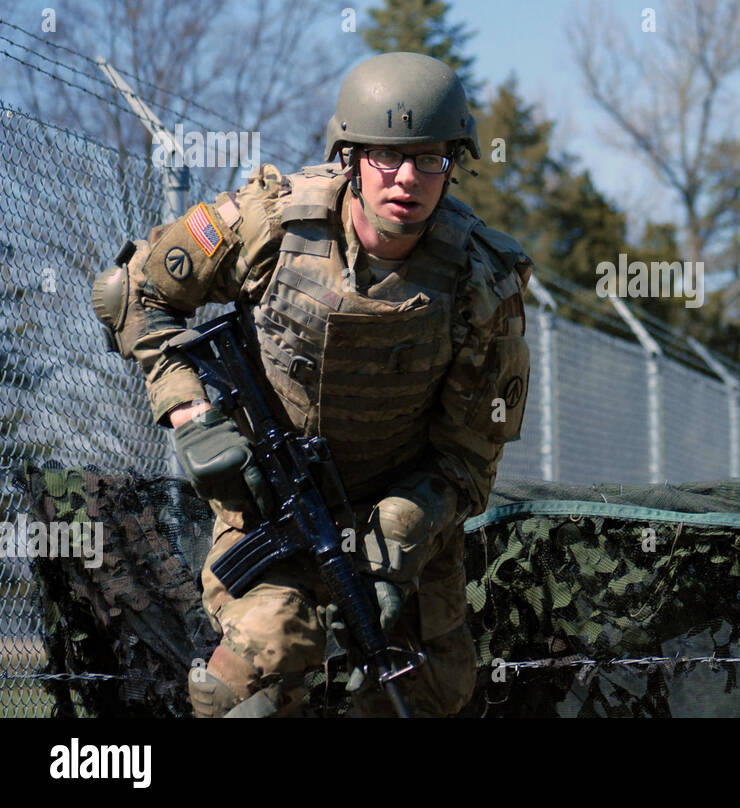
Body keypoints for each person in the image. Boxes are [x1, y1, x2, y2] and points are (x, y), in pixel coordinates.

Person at [91, 52, 532, 717]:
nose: (407, 178)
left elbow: (470, 459)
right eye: (386, 156)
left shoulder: (481, 280)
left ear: (454, 161)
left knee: (427, 688)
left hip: (399, 518)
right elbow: (134, 292)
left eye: (430, 158)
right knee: (253, 678)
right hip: (274, 501)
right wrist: (187, 408)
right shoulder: (272, 221)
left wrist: (402, 529)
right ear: (351, 156)